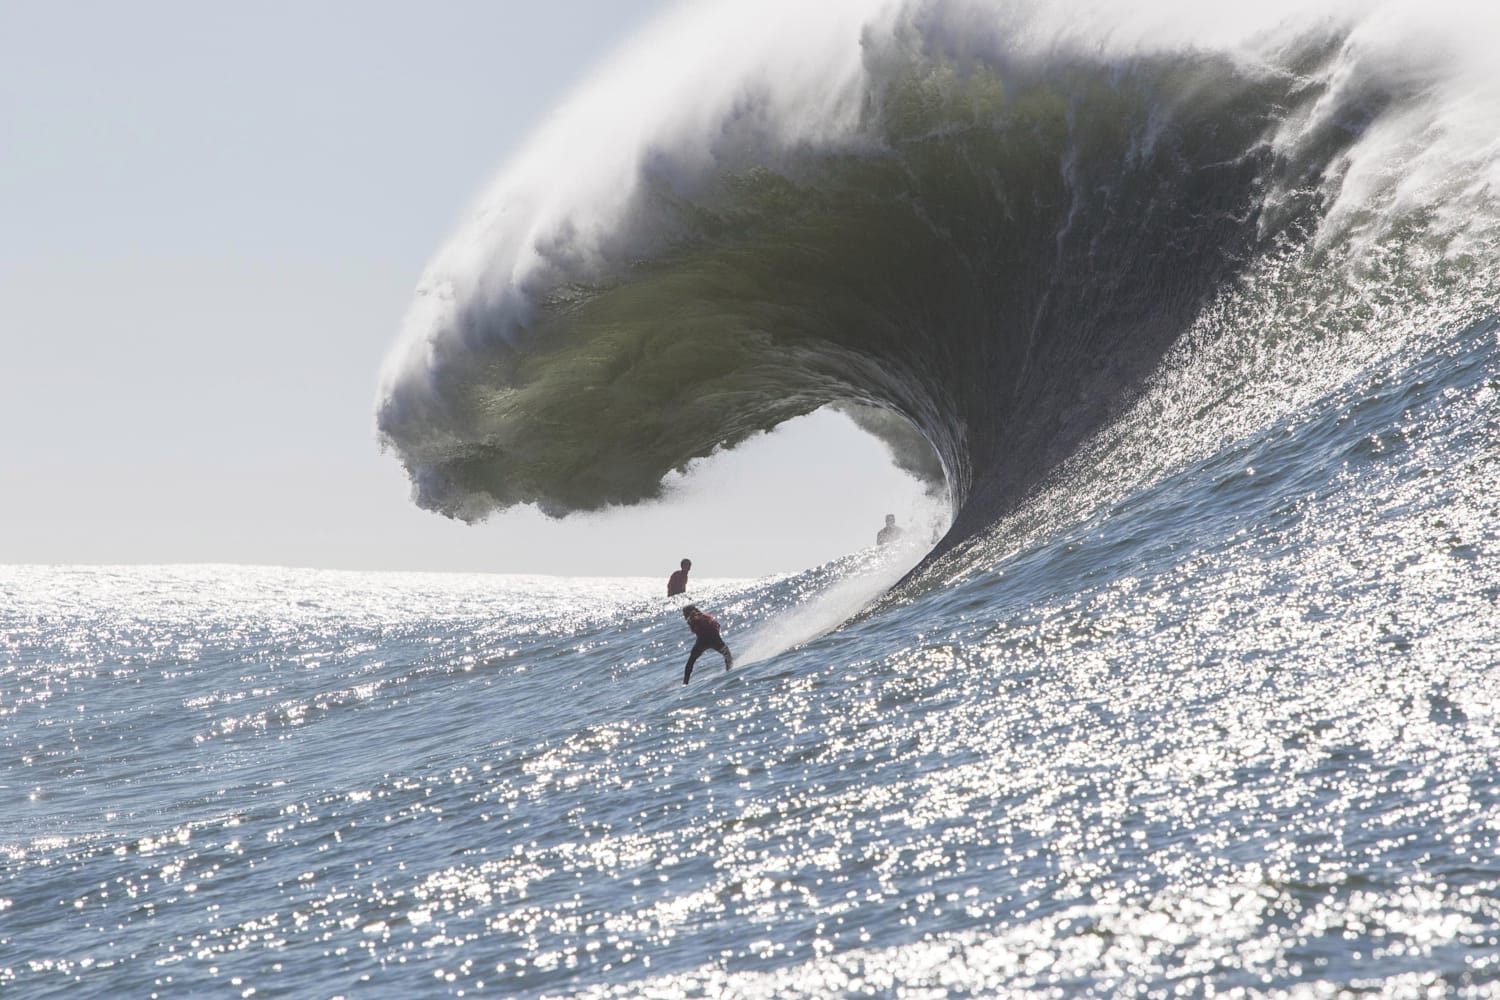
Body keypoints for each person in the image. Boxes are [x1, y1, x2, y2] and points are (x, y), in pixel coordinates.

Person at [681, 604, 732, 684]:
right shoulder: (705, 615)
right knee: (727, 654)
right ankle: (729, 671)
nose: (684, 616)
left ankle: (685, 683)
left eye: (684, 614)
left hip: (703, 640)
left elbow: (694, 620)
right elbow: (717, 625)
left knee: (690, 662)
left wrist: (691, 618)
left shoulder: (692, 617)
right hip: (714, 638)